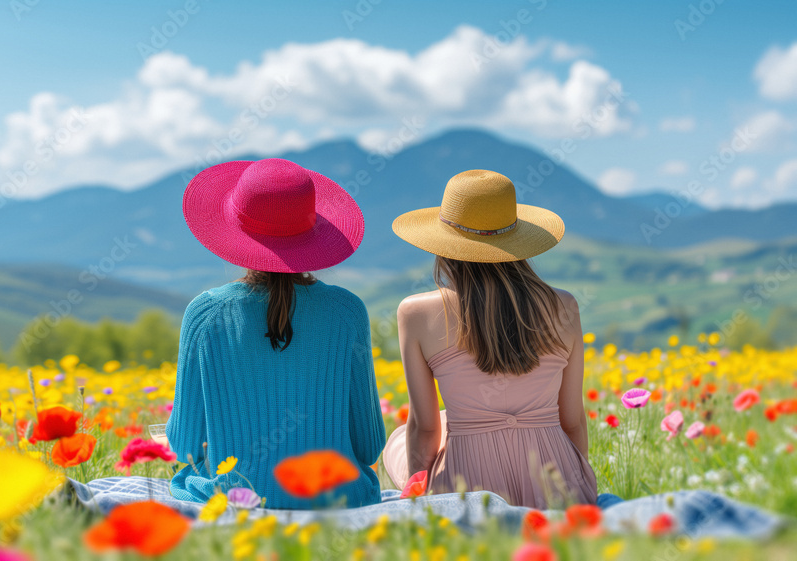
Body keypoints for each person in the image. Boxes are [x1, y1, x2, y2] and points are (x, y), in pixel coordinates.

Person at [167, 158, 387, 509]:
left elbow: (186, 447)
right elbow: (369, 445)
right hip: (337, 500)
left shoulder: (204, 314)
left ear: (235, 232)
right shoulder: (348, 311)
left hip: (234, 498)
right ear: (312, 234)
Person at [382, 169, 598, 509]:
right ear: (517, 240)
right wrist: (573, 486)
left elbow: (424, 430)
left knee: (399, 439)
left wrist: (417, 502)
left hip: (467, 485)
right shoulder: (565, 305)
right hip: (554, 479)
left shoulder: (416, 312)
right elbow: (572, 421)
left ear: (443, 245)